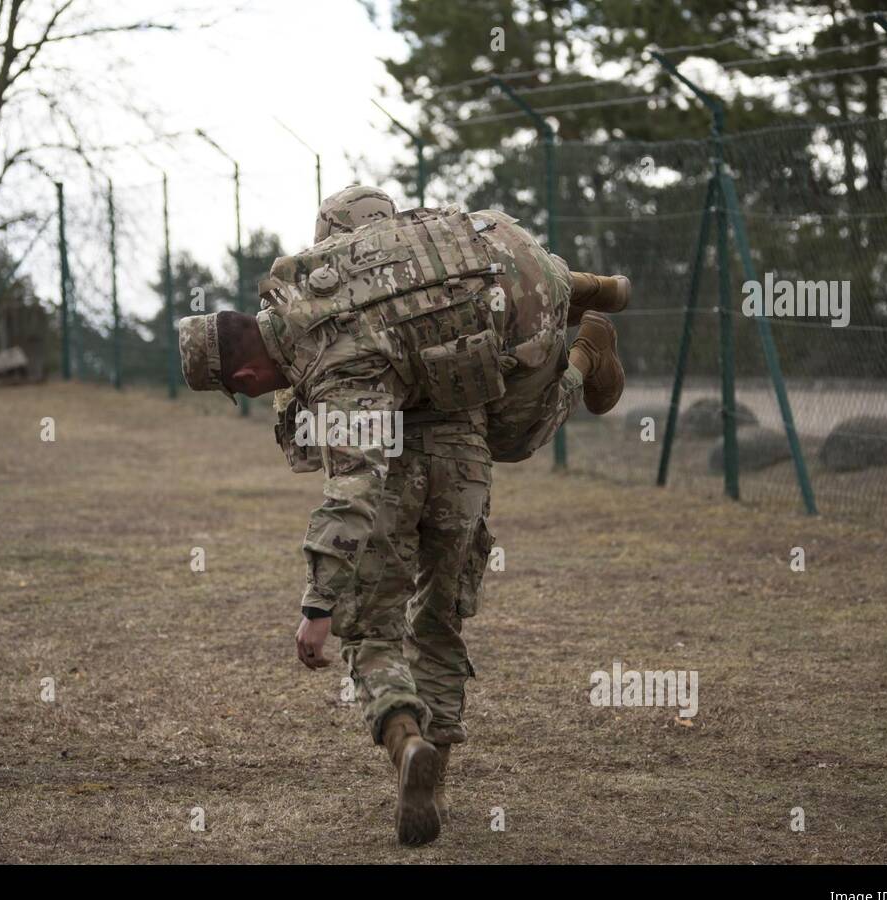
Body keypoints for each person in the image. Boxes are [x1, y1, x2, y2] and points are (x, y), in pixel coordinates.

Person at [178, 190, 626, 845]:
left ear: (244, 369)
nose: (248, 394)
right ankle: (433, 775)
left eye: (239, 388)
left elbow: (350, 491)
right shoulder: (364, 269)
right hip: (465, 445)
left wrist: (317, 603)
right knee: (440, 622)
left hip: (400, 471)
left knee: (375, 633)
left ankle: (406, 740)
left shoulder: (333, 365)